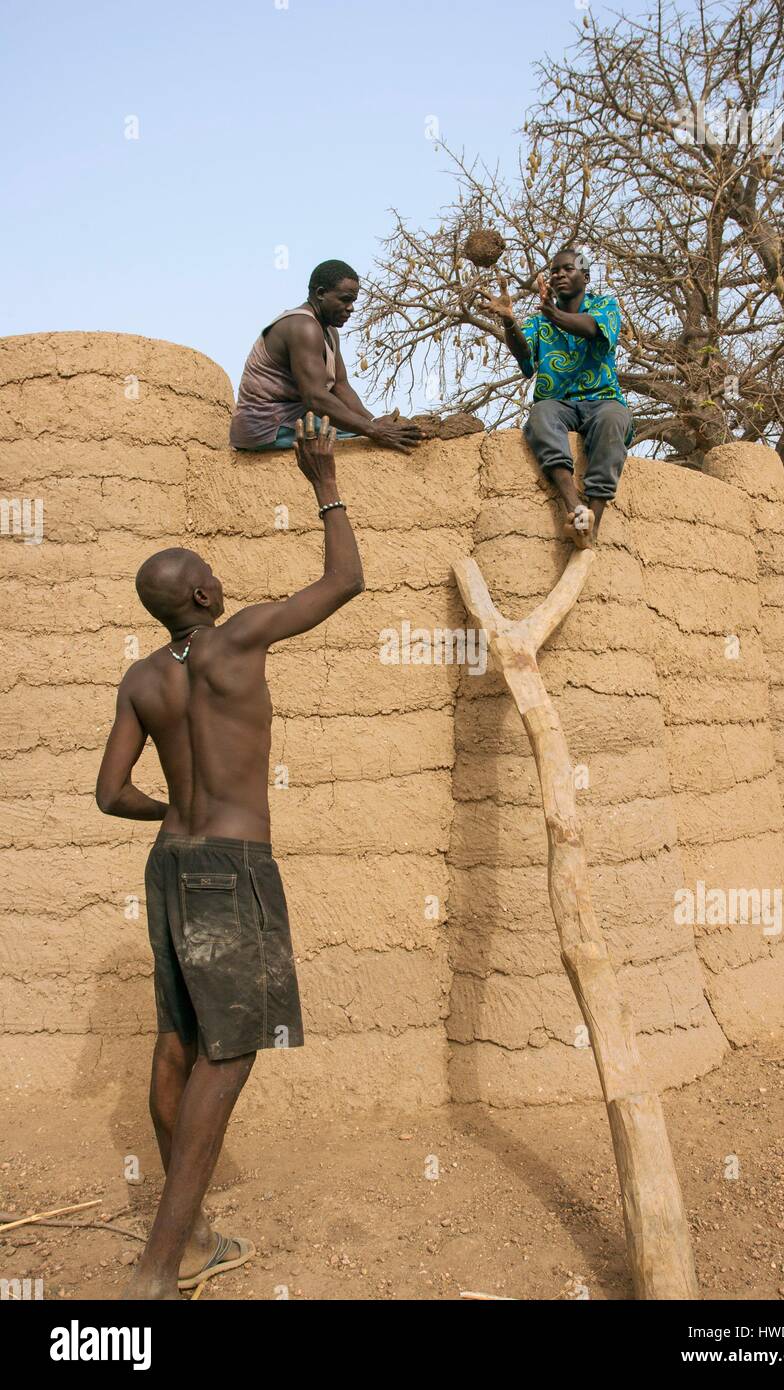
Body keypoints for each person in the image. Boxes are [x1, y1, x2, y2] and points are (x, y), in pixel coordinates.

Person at [95, 415, 363, 1299]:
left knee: (176, 1044)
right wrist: (324, 480)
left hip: (169, 866)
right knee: (229, 1053)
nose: (218, 576)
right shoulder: (240, 638)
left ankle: (193, 1236)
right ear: (203, 596)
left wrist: (175, 810)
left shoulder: (141, 678)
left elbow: (109, 794)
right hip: (232, 871)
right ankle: (156, 1270)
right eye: (208, 571)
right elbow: (344, 580)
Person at [481, 245, 634, 547]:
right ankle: (575, 509)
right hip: (558, 402)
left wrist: (553, 313)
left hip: (602, 399)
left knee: (614, 421)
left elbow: (593, 329)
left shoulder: (604, 305)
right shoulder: (539, 321)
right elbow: (526, 360)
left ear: (586, 276)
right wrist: (509, 321)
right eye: (554, 271)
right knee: (540, 416)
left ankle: (593, 524)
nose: (560, 274)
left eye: (568, 269)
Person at [230, 258, 421, 455]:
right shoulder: (303, 327)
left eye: (353, 301)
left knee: (361, 428)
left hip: (292, 420)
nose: (351, 308)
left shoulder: (329, 331)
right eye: (345, 299)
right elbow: (315, 397)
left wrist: (373, 421)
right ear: (320, 293)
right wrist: (373, 431)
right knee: (361, 436)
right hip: (266, 428)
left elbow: (340, 385)